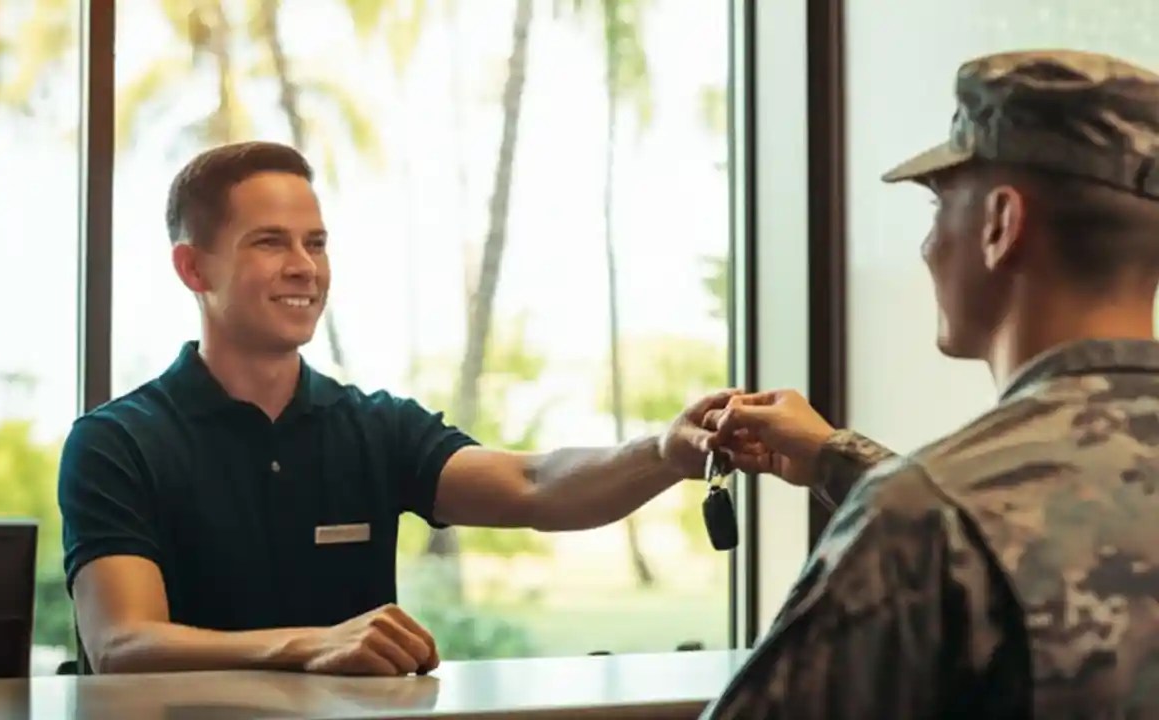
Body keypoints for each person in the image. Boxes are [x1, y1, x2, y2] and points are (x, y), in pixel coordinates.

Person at [58, 140, 734, 677]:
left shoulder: (374, 427)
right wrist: (314, 646)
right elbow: (123, 642)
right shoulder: (116, 442)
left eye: (315, 243)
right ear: (193, 270)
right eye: (270, 242)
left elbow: (536, 487)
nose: (305, 267)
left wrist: (665, 453)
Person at [700, 49, 1159, 719]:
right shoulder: (938, 515)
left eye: (939, 206)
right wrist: (837, 456)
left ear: (1001, 225)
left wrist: (895, 498)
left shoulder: (925, 518)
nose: (926, 247)